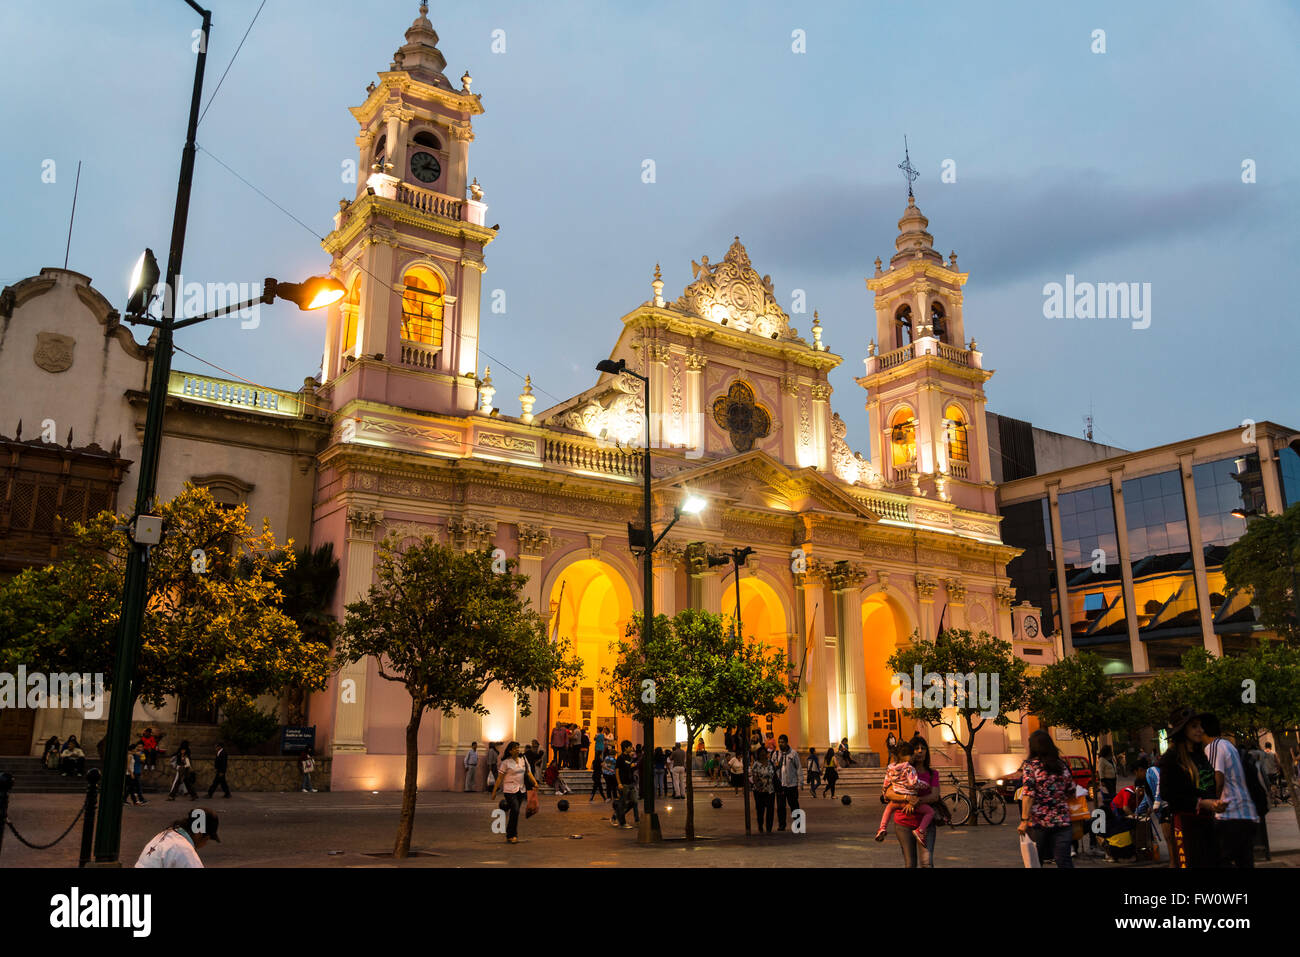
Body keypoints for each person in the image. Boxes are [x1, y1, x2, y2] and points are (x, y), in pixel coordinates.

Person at [1157, 707, 1224, 869]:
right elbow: (1167, 793)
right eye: (1194, 726)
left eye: (1200, 726)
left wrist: (1215, 802)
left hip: (1208, 824)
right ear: (1182, 730)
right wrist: (1200, 803)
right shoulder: (1171, 759)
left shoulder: (1201, 755)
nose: (1200, 730)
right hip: (1187, 826)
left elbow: (1208, 785)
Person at [1202, 714, 1259, 868]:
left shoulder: (1213, 747)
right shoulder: (1228, 745)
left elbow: (1218, 781)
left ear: (1203, 730)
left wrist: (1212, 804)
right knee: (1244, 862)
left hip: (1230, 814)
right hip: (1246, 814)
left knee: (1219, 859)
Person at [1018, 729, 1077, 868]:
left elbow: (1028, 794)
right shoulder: (1061, 765)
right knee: (1064, 861)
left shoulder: (1031, 766)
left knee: (1035, 861)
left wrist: (1024, 820)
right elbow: (1071, 792)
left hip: (1039, 823)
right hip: (1062, 821)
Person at [891, 737, 941, 867]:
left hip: (926, 825)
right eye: (916, 748)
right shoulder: (900, 771)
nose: (920, 751)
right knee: (910, 864)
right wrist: (907, 799)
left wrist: (916, 801)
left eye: (923, 748)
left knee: (927, 863)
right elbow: (888, 793)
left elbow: (935, 796)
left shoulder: (932, 774)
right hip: (903, 823)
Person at [878, 746, 934, 849]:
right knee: (930, 812)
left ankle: (882, 828)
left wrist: (885, 794)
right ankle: (920, 831)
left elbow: (886, 783)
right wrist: (925, 784)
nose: (914, 756)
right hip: (909, 799)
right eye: (912, 754)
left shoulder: (890, 768)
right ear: (906, 756)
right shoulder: (909, 768)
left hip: (895, 799)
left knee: (888, 810)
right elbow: (913, 783)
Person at [135, 808, 220, 867]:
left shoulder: (167, 834)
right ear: (199, 833)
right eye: (207, 839)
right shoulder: (185, 850)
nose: (205, 844)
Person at [491, 741, 539, 844]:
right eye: (515, 748)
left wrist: (535, 782)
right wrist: (494, 791)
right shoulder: (506, 763)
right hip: (509, 790)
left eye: (518, 747)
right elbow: (499, 778)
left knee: (515, 812)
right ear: (510, 751)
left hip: (521, 789)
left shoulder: (523, 760)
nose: (517, 750)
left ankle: (511, 833)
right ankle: (512, 835)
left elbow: (528, 772)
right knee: (515, 809)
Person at [773, 734, 801, 831]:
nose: (780, 744)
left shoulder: (793, 754)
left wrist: (800, 782)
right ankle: (782, 825)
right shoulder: (776, 754)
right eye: (779, 742)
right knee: (780, 806)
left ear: (786, 742)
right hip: (780, 785)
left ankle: (798, 823)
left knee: (794, 805)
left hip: (791, 784)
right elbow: (772, 768)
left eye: (782, 742)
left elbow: (798, 768)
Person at [613, 740, 639, 829]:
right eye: (630, 747)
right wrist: (619, 783)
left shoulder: (629, 757)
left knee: (634, 801)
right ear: (625, 748)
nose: (631, 748)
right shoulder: (620, 758)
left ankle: (617, 815)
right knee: (623, 803)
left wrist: (633, 765)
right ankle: (623, 822)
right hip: (623, 784)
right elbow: (617, 771)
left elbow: (629, 767)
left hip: (631, 783)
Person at [750, 745, 776, 832]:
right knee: (760, 810)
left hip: (770, 790)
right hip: (759, 791)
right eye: (761, 754)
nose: (763, 755)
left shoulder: (770, 763)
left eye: (764, 754)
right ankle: (760, 825)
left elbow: (774, 775)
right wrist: (758, 786)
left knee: (770, 809)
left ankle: (769, 828)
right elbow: (754, 777)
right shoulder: (756, 765)